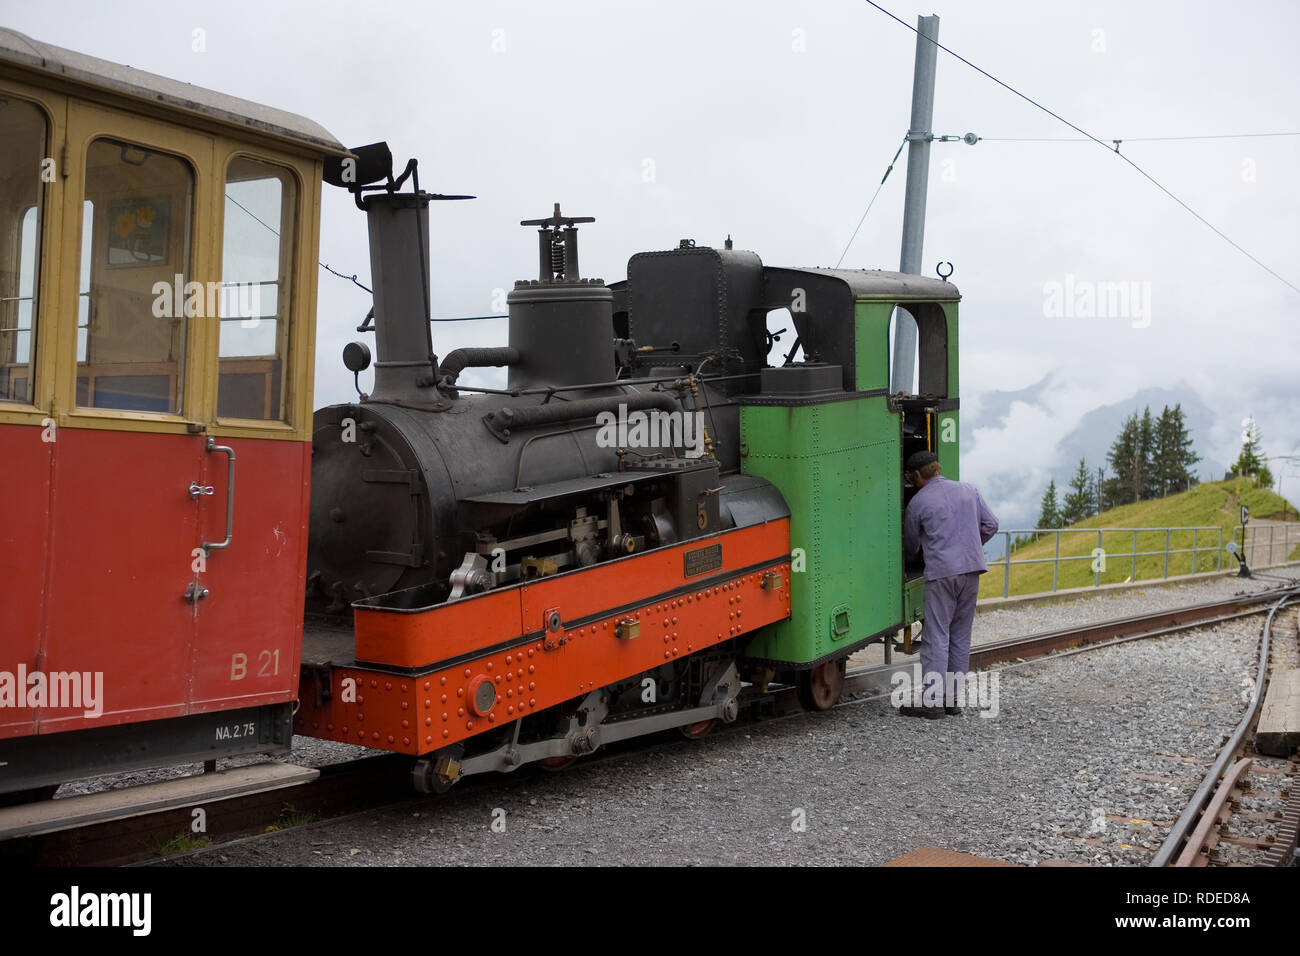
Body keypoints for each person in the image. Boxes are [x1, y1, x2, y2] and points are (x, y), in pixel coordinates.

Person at [900, 450, 999, 719]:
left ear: (917, 475)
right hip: (971, 570)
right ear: (939, 468)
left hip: (942, 574)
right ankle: (952, 700)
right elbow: (991, 525)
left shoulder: (919, 502)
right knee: (960, 635)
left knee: (937, 636)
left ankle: (931, 702)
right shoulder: (968, 490)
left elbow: (910, 545)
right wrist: (969, 546)